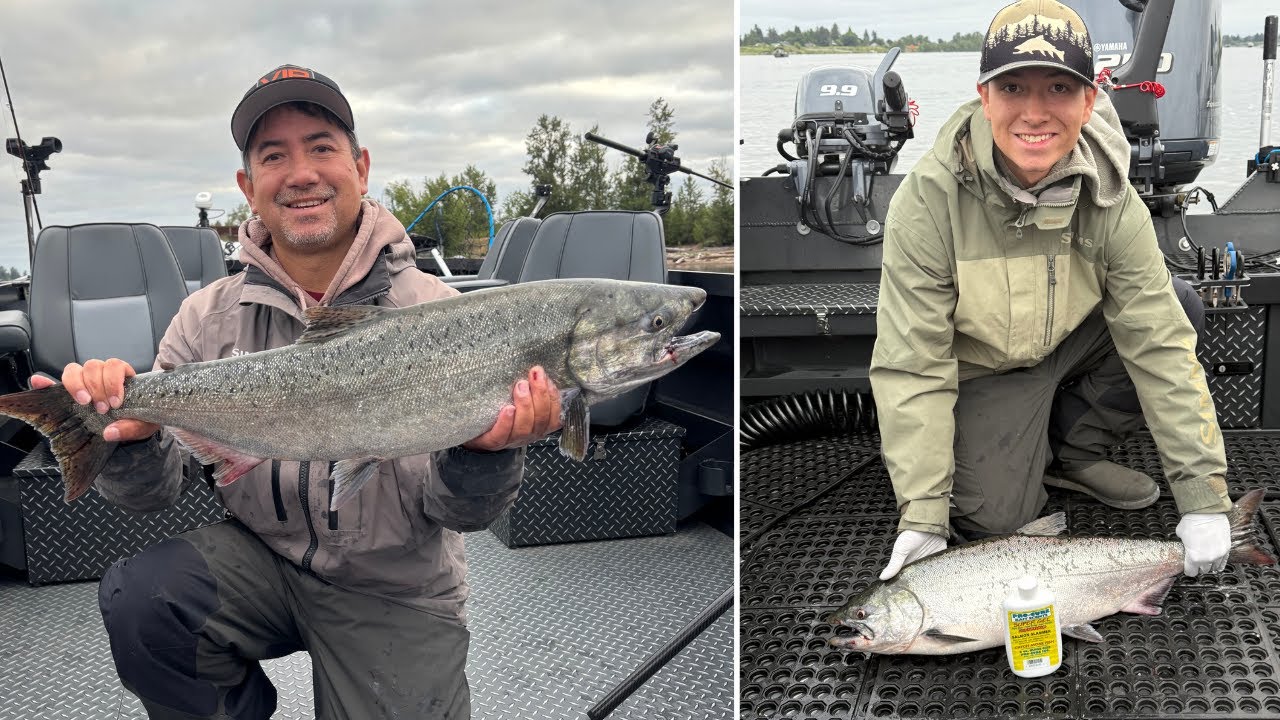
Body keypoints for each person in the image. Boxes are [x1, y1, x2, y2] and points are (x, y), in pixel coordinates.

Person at [31, 64, 561, 719]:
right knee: (146, 599)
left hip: (396, 587)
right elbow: (155, 495)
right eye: (273, 155)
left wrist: (486, 453)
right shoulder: (204, 318)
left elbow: (463, 515)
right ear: (248, 187)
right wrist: (129, 439)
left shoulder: (440, 314)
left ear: (361, 167)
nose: (301, 172)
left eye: (321, 146)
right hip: (263, 561)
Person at [870, 0, 1232, 583]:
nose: (1034, 113)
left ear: (1089, 102)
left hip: (1070, 338)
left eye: (1059, 88)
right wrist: (924, 516)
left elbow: (1158, 342)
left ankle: (1074, 454)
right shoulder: (927, 201)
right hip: (983, 368)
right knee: (995, 523)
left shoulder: (1114, 193)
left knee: (1179, 303)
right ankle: (1019, 447)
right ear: (984, 97)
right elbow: (914, 365)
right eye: (1013, 87)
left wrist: (1202, 496)